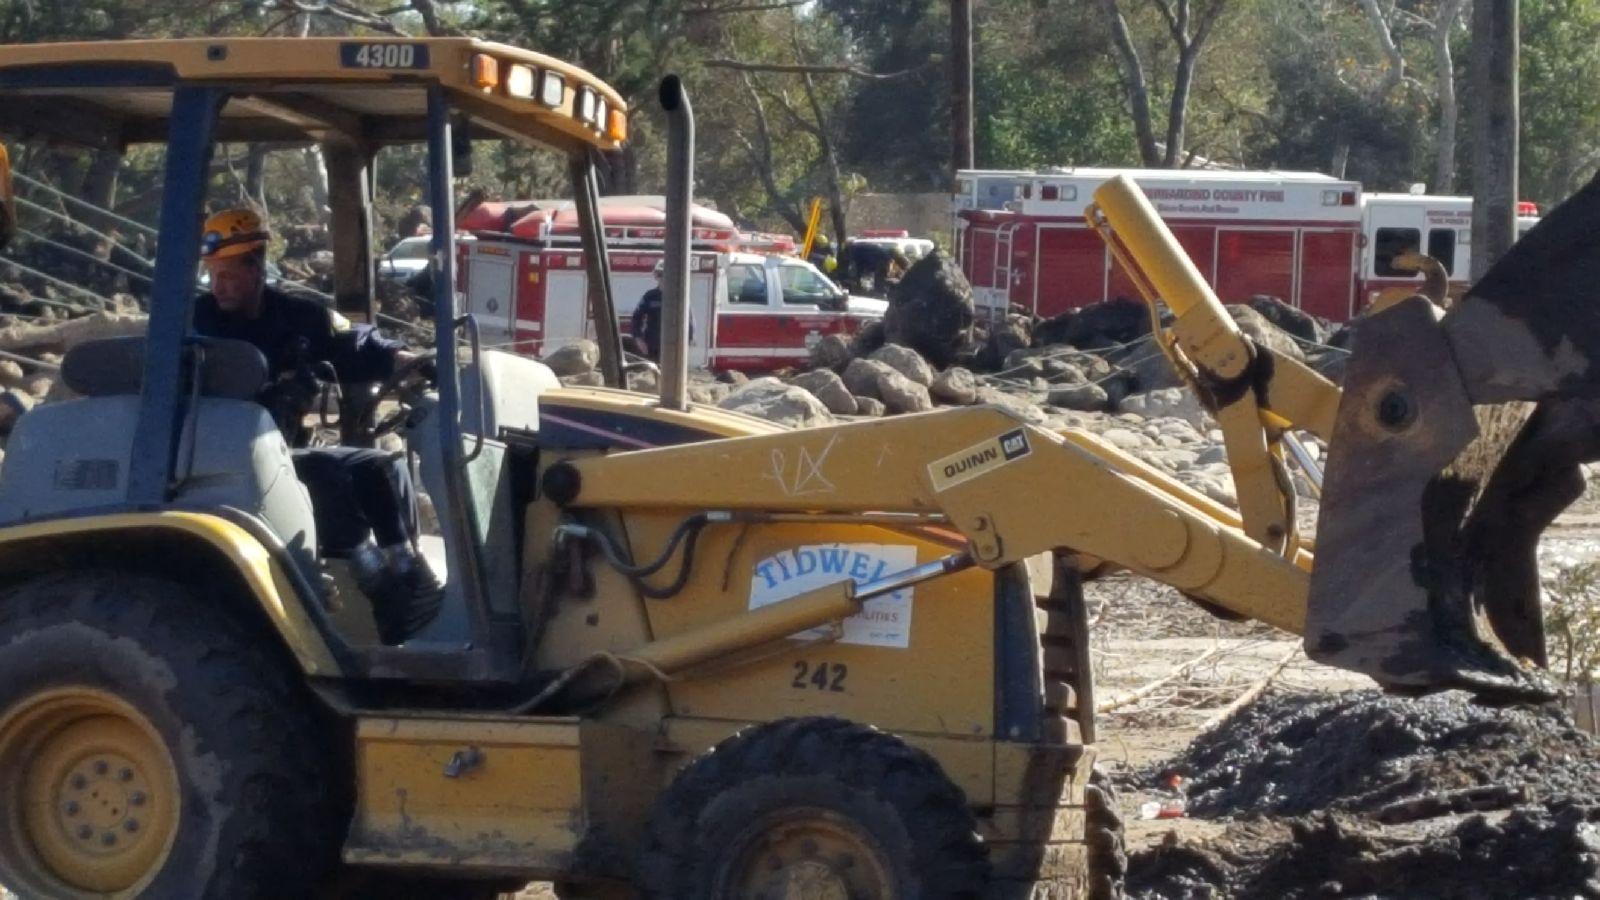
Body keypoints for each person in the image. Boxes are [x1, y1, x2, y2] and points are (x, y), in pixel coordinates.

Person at [192, 208, 442, 645]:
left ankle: (408, 575)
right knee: (326, 473)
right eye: (213, 274)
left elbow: (353, 341)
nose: (219, 285)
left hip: (281, 450)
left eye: (229, 274)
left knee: (378, 465)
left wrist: (402, 359)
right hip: (219, 464)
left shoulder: (297, 317)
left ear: (256, 267)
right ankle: (376, 586)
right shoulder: (194, 323)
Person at [630, 259, 694, 361]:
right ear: (656, 276)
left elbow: (689, 324)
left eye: (665, 275)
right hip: (651, 347)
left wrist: (686, 345)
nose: (663, 278)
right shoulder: (650, 296)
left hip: (674, 348)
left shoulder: (680, 297)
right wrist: (638, 339)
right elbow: (636, 318)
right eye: (660, 275)